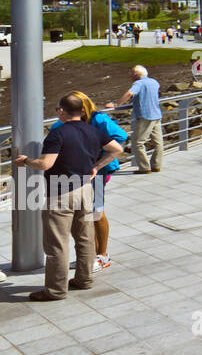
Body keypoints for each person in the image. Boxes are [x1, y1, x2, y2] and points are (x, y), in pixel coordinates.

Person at [13, 92, 124, 301]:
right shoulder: (92, 130)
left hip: (60, 191)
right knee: (84, 237)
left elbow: (46, 164)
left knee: (56, 243)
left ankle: (55, 290)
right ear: (82, 110)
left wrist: (26, 161)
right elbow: (117, 148)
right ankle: (85, 279)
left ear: (61, 111)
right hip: (85, 188)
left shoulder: (57, 134)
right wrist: (96, 167)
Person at [49, 91, 127, 272]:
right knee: (85, 212)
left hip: (98, 172)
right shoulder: (61, 124)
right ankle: (89, 255)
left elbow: (120, 137)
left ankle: (102, 255)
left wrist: (97, 159)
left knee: (96, 211)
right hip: (78, 172)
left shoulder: (98, 119)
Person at [105, 65, 163, 174]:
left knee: (138, 143)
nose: (130, 76)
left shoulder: (138, 83)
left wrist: (116, 104)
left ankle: (144, 168)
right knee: (158, 143)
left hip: (145, 116)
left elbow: (129, 93)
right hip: (157, 115)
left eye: (131, 74)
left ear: (136, 75)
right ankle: (156, 165)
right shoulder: (154, 82)